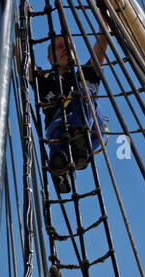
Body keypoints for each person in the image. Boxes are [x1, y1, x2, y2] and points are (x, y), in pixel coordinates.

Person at [35, 31, 109, 194]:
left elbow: (102, 44)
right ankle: (64, 170)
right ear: (50, 58)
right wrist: (23, 19)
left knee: (83, 91)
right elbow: (24, 59)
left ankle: (79, 140)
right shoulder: (44, 82)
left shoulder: (84, 73)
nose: (65, 50)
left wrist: (104, 20)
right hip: (59, 130)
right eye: (60, 47)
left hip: (90, 129)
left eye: (69, 47)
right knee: (56, 141)